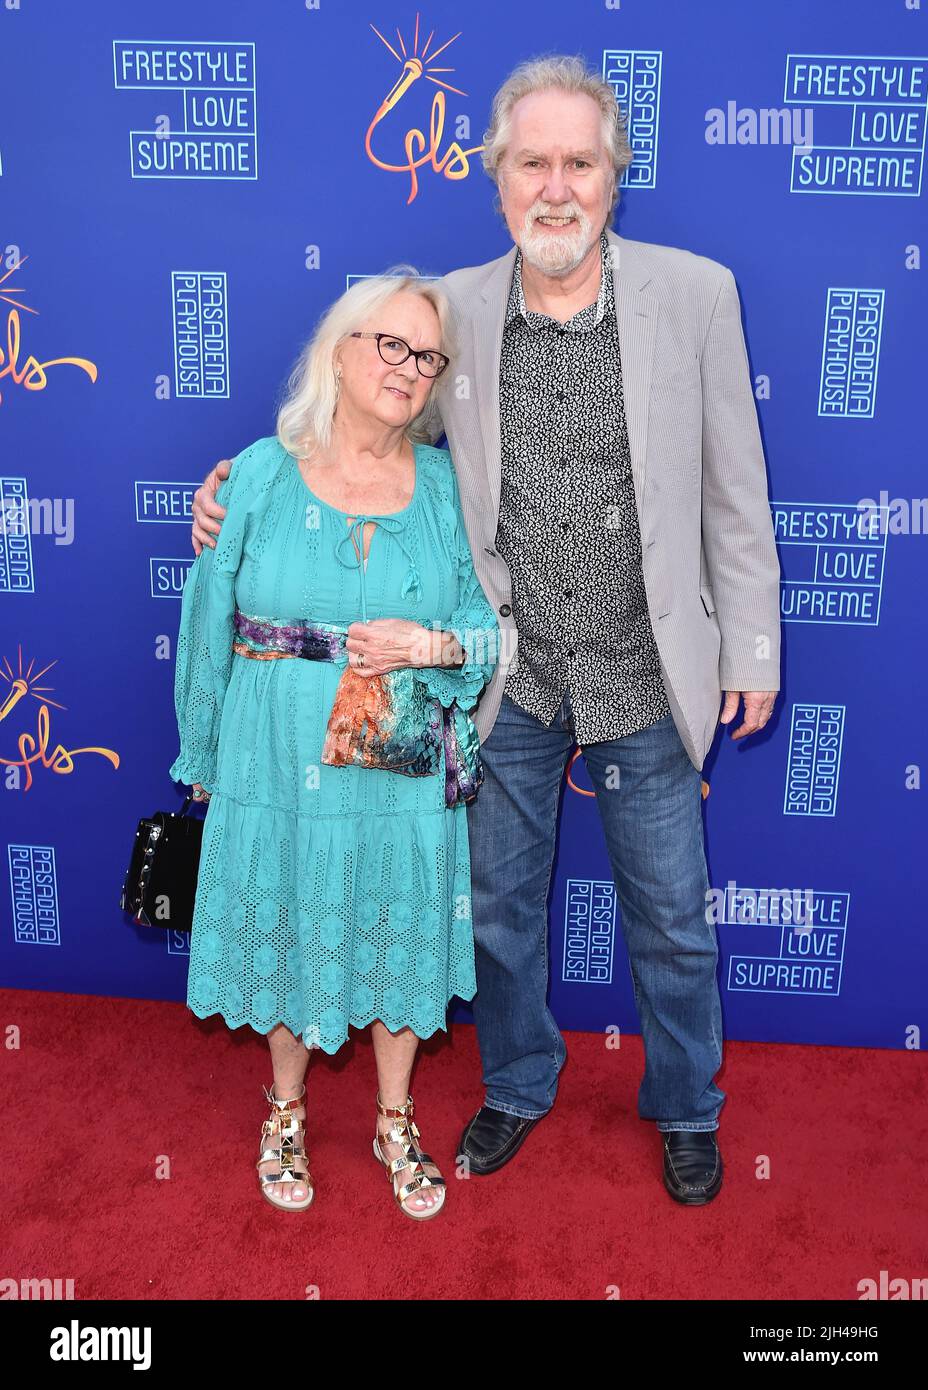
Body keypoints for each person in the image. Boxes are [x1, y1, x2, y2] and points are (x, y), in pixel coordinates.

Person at [192, 55, 781, 1206]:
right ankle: (514, 1081)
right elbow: (360, 425)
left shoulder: (697, 292)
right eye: (531, 163)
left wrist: (751, 643)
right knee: (500, 908)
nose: (554, 187)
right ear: (496, 178)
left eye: (579, 163)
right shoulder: (448, 308)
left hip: (646, 663)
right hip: (501, 673)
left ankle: (685, 1105)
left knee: (670, 917)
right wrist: (237, 488)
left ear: (615, 177)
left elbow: (733, 488)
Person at [170, 270, 500, 1220]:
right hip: (275, 757)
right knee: (284, 914)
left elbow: (487, 630)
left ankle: (396, 1118)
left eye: (426, 355)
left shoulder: (445, 489)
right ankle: (285, 1109)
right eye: (389, 344)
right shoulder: (260, 473)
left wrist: (429, 645)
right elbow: (209, 611)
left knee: (398, 916)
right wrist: (202, 749)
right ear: (340, 352)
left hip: (398, 752)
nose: (407, 367)